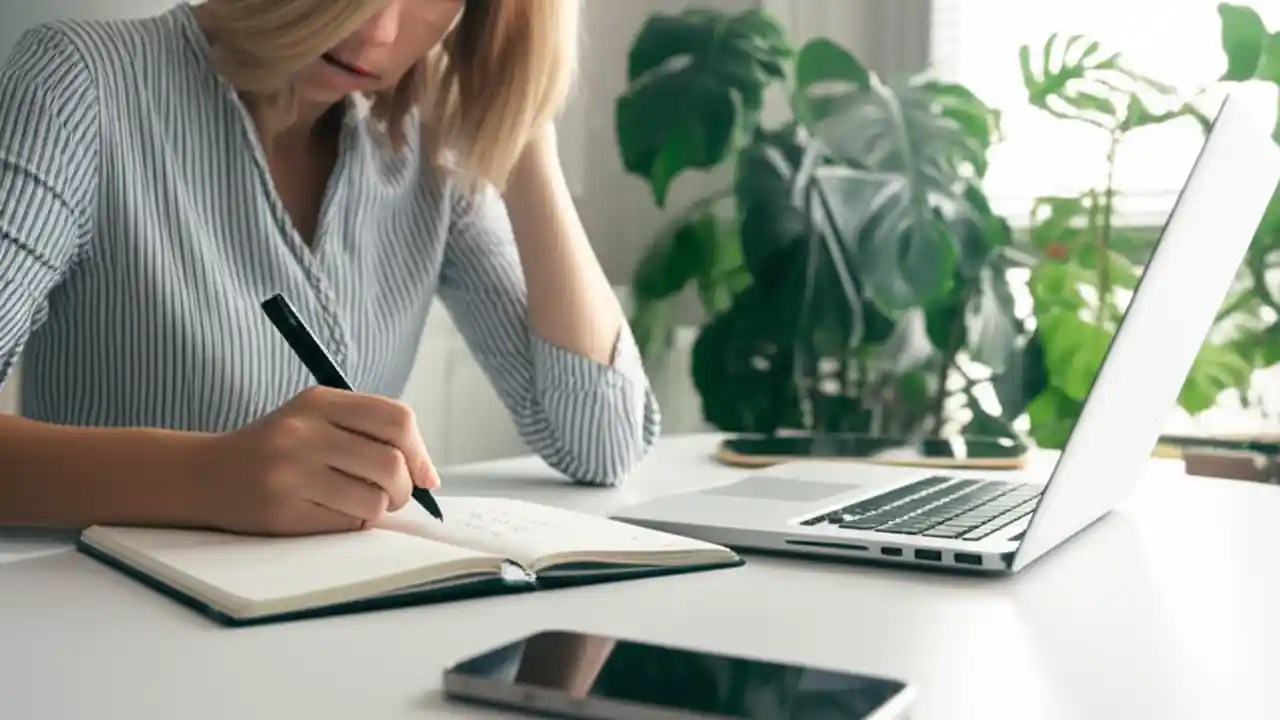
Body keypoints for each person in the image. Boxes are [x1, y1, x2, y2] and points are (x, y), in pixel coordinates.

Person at [0, 0, 659, 536]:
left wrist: (519, 120)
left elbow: (602, 442)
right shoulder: (80, 85)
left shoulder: (429, 149)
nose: (379, 31)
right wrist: (203, 477)